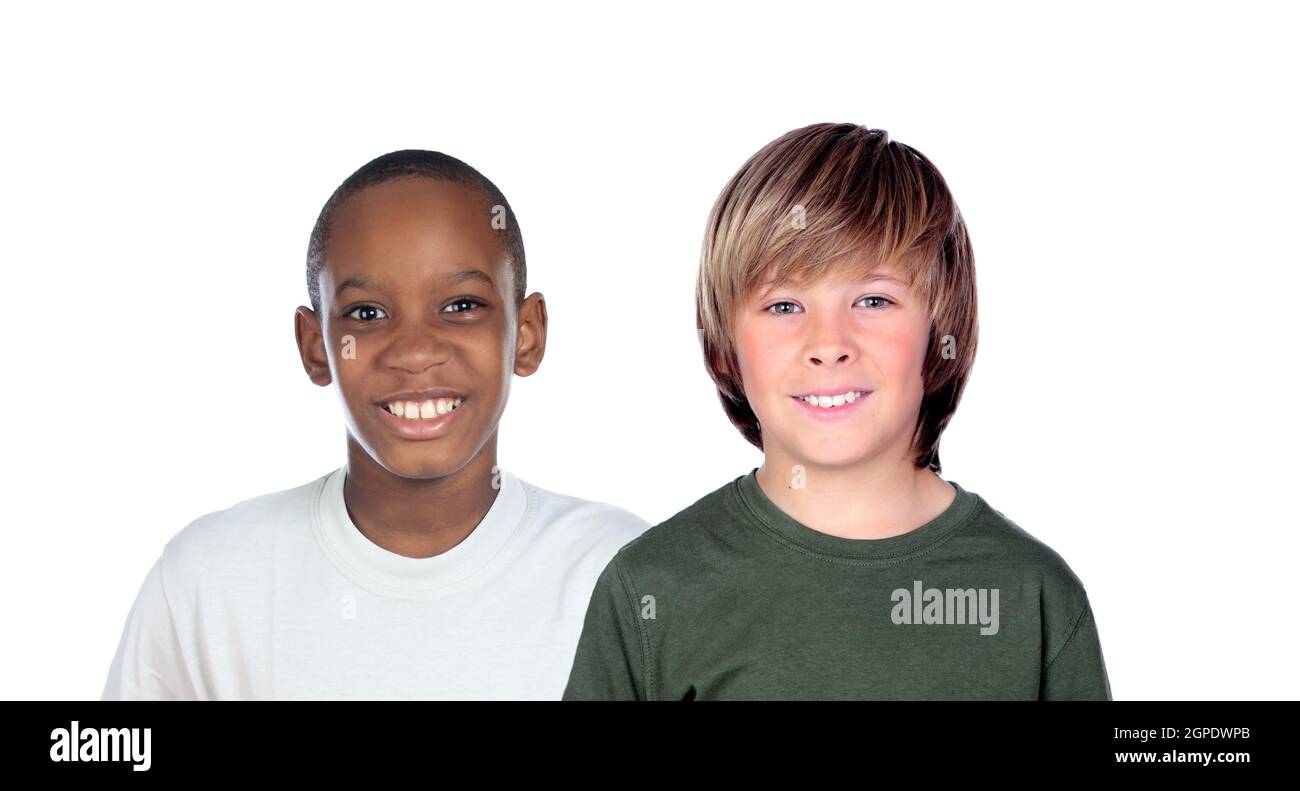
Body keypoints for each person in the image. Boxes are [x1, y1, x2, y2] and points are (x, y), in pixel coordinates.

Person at [564, 123, 1112, 700]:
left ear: (940, 326)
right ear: (726, 344)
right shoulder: (652, 588)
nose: (828, 342)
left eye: (873, 300)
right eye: (783, 304)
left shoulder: (1033, 596)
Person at [102, 149, 649, 700]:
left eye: (461, 305)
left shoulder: (621, 570)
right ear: (316, 347)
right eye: (367, 314)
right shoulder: (208, 582)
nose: (414, 352)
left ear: (526, 335)